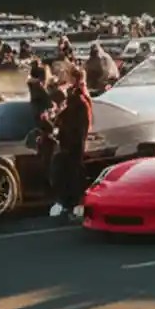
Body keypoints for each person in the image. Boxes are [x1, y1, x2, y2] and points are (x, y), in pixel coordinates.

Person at [50, 68, 93, 220]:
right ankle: (69, 203)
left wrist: (75, 142)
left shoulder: (80, 100)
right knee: (65, 171)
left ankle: (75, 204)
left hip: (73, 144)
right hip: (69, 143)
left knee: (74, 173)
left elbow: (82, 126)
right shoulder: (73, 99)